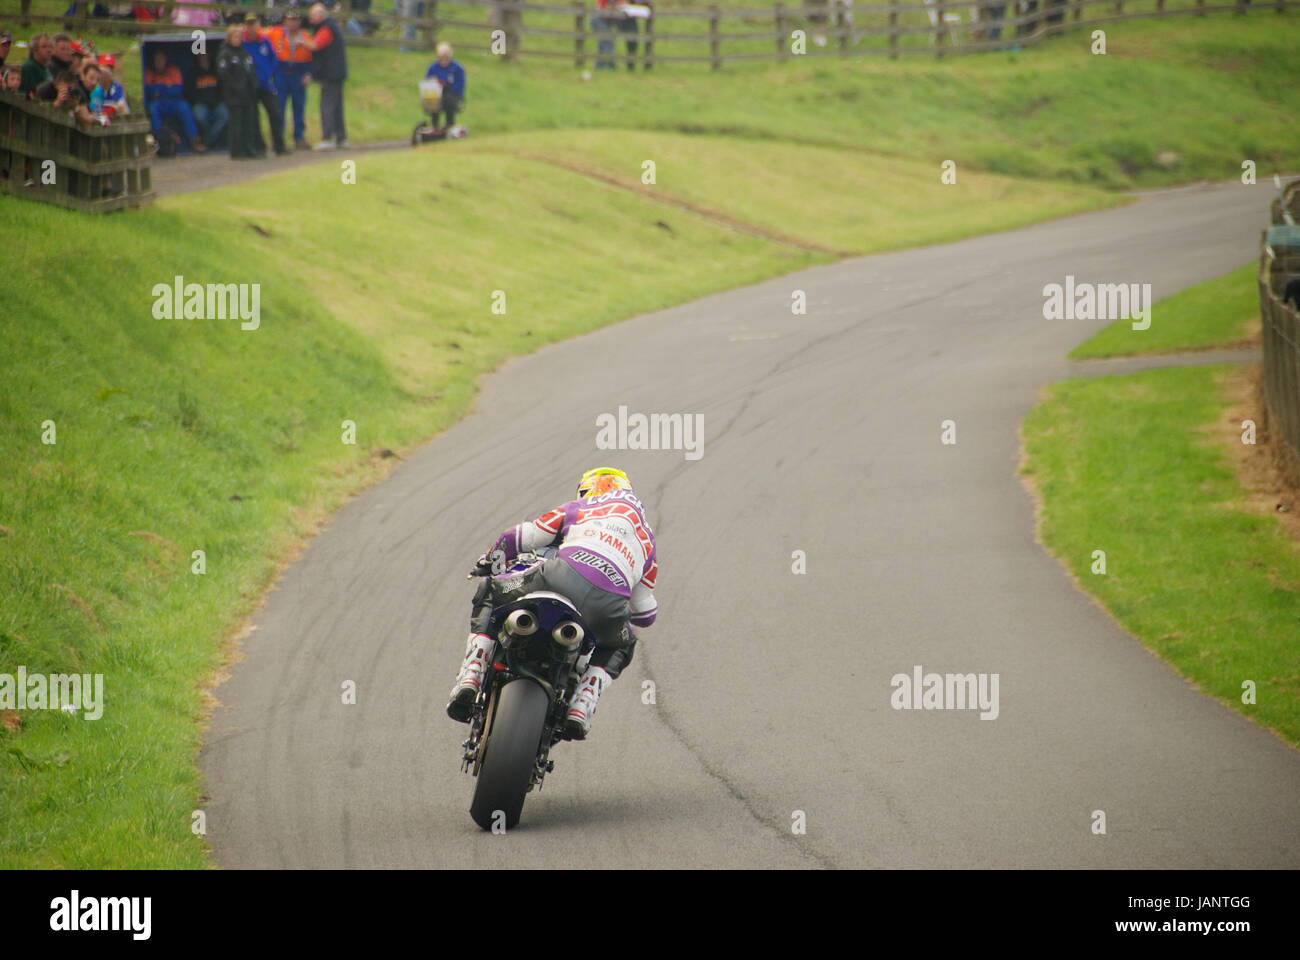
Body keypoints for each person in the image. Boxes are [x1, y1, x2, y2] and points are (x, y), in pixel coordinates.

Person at [446, 467, 659, 740]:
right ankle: (583, 704)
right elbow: (647, 614)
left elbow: (515, 537)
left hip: (556, 578)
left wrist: (490, 562)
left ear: (587, 491)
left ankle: (472, 673)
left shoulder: (578, 508)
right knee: (623, 642)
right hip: (606, 610)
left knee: (490, 589)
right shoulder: (646, 540)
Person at [265, 9, 313, 150]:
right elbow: (260, 35)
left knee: (299, 106)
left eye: (296, 19)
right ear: (285, 21)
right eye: (290, 19)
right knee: (279, 106)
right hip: (281, 72)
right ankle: (278, 138)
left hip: (299, 72)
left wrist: (309, 74)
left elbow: (313, 58)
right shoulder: (276, 33)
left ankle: (299, 136)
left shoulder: (305, 36)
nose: (293, 23)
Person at [304, 2, 348, 149]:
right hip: (336, 72)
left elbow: (316, 45)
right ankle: (341, 138)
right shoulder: (331, 26)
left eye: (312, 17)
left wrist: (300, 41)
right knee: (336, 106)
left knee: (327, 106)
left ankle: (327, 138)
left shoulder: (326, 28)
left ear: (320, 16)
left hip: (331, 74)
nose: (310, 20)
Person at [242, 15, 287, 156]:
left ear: (258, 25)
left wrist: (269, 73)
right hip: (251, 86)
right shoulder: (243, 43)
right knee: (254, 116)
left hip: (266, 84)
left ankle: (279, 145)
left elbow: (274, 59)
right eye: (249, 24)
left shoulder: (265, 41)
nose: (251, 27)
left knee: (275, 113)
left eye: (254, 24)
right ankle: (260, 147)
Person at [145, 49, 204, 152]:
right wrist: (166, 88)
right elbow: (148, 90)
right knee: (152, 108)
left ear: (165, 60)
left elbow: (178, 89)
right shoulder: (149, 72)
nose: (159, 62)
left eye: (161, 59)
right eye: (157, 60)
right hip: (158, 102)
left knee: (184, 107)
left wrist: (160, 89)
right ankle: (159, 141)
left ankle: (194, 139)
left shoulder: (173, 70)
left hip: (174, 101)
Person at [217, 26, 259, 160]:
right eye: (235, 37)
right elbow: (223, 74)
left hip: (248, 94)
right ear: (229, 38)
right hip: (234, 95)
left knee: (249, 122)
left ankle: (249, 149)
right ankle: (236, 151)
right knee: (236, 124)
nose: (238, 39)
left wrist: (253, 86)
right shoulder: (225, 54)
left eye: (240, 37)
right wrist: (235, 87)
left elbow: (251, 71)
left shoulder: (245, 53)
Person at [186, 51, 226, 149]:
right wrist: (197, 101)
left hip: (216, 103)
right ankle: (211, 141)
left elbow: (223, 88)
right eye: (201, 55)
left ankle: (206, 142)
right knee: (200, 116)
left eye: (205, 55)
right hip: (200, 103)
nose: (203, 57)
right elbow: (188, 92)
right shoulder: (193, 72)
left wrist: (219, 100)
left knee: (225, 115)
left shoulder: (216, 71)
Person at [423, 42, 464, 129]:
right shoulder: (433, 68)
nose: (444, 60)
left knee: (448, 100)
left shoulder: (457, 68)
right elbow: (428, 81)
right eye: (441, 58)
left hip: (452, 94)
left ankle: (449, 124)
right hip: (437, 93)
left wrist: (448, 87)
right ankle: (435, 125)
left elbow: (460, 83)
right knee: (433, 100)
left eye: (446, 58)